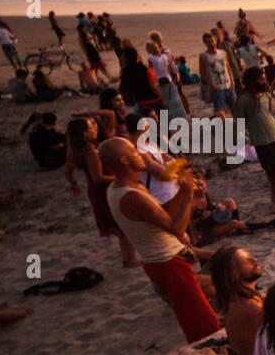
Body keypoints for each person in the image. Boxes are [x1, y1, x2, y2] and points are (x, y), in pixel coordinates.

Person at [102, 138, 219, 341]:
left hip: (170, 259)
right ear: (123, 160)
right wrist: (185, 193)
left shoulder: (128, 187)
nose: (140, 154)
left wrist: (185, 190)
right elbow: (175, 227)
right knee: (203, 324)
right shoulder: (131, 196)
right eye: (134, 151)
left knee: (221, 279)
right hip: (168, 264)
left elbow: (163, 215)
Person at [64, 117, 137, 267]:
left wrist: (74, 184)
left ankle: (128, 258)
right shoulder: (91, 152)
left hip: (95, 190)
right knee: (122, 226)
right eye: (91, 126)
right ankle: (129, 259)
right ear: (84, 133)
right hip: (102, 190)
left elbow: (68, 171)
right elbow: (98, 177)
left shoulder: (77, 151)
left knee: (120, 226)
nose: (95, 128)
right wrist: (120, 178)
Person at [234, 68, 275, 209]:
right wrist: (247, 138)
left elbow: (269, 113)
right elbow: (240, 121)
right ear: (252, 81)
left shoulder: (266, 95)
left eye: (264, 78)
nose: (264, 81)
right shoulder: (244, 99)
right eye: (260, 79)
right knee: (272, 170)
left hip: (274, 135)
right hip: (261, 140)